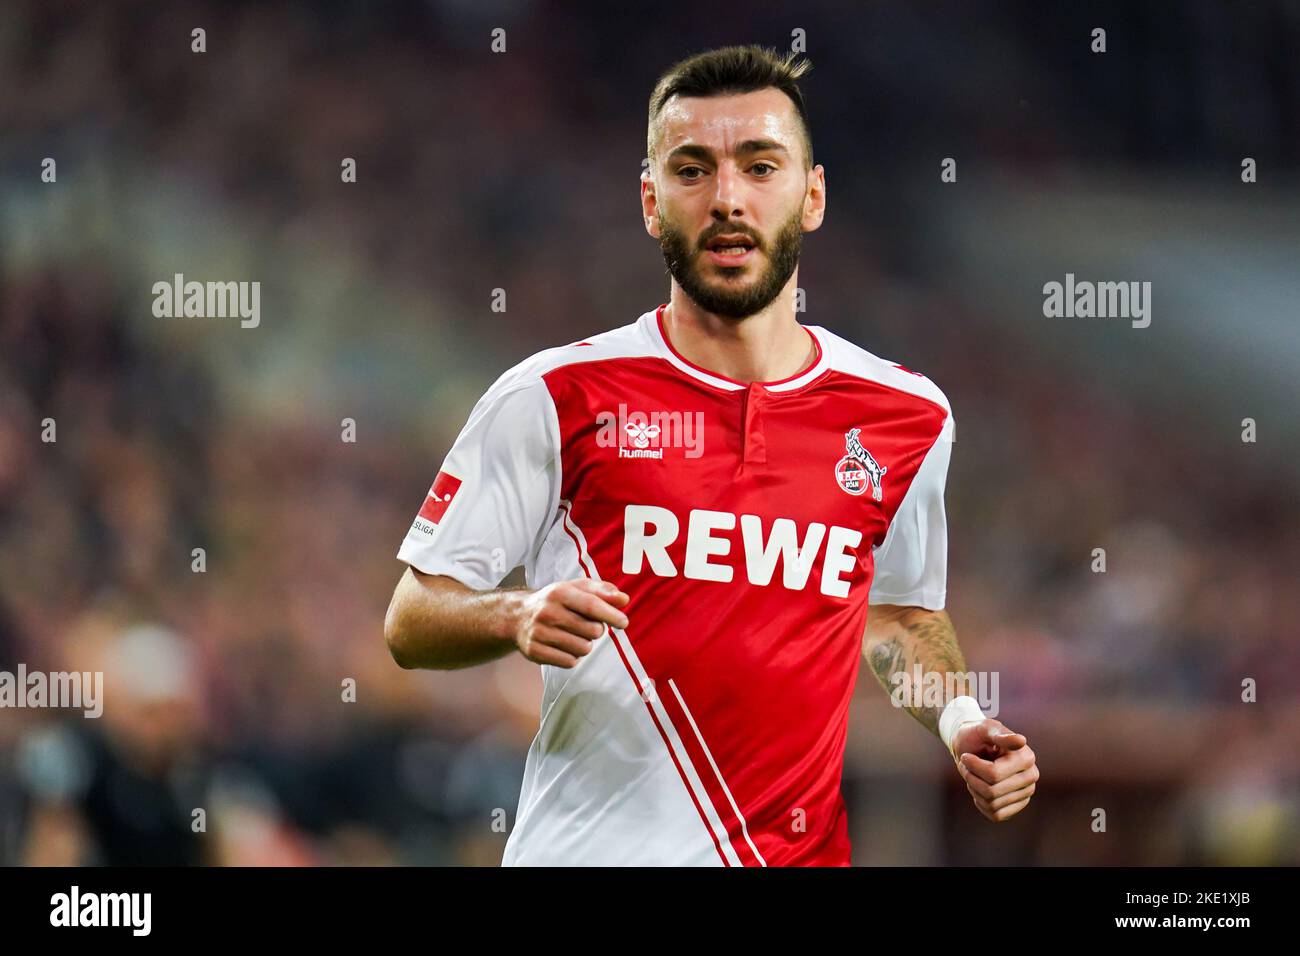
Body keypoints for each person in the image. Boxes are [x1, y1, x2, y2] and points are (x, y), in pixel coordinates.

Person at [385, 45, 1038, 865]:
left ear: (813, 195)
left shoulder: (907, 415)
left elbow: (899, 615)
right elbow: (412, 617)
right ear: (653, 203)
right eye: (693, 171)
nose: (728, 198)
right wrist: (513, 614)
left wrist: (962, 721)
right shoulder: (554, 395)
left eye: (760, 166)